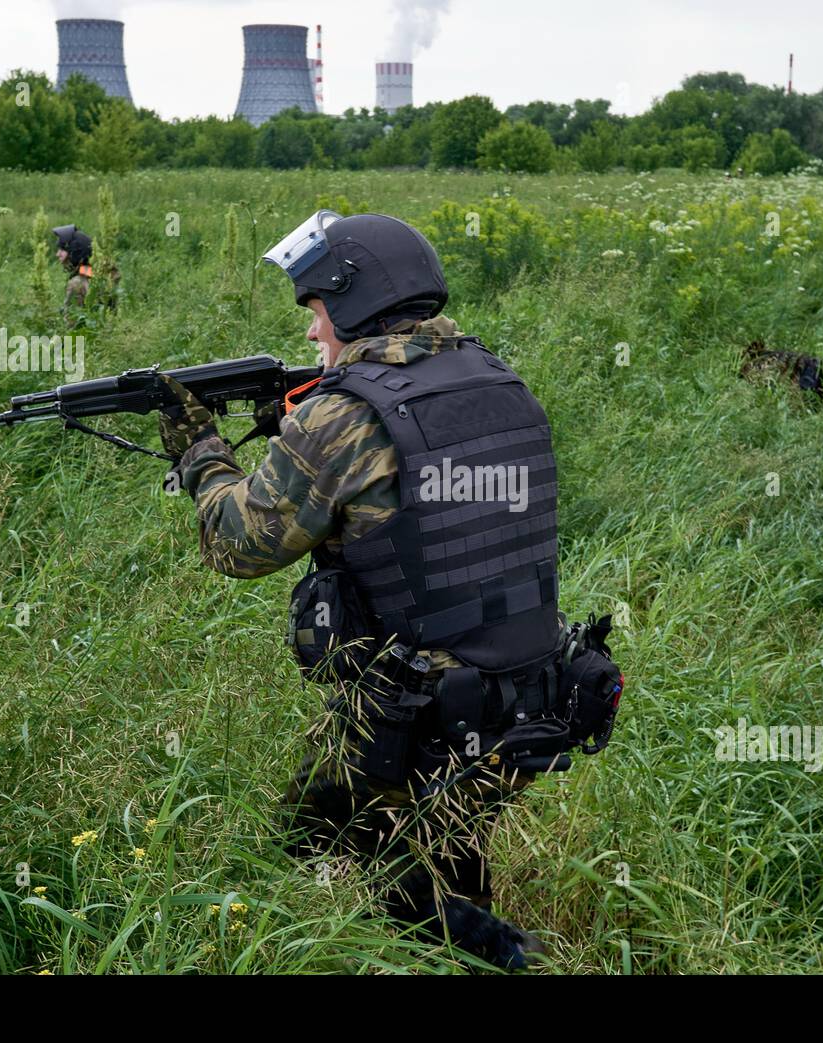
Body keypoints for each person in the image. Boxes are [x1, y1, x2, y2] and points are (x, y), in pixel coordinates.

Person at [156, 210, 622, 970]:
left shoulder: (341, 417)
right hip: (534, 696)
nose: (311, 334)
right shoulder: (498, 378)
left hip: (409, 718)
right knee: (450, 847)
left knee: (322, 850)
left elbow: (238, 544)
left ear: (351, 303)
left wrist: (203, 454)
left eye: (314, 313)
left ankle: (509, 958)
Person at [52, 224, 120, 311]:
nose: (58, 254)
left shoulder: (79, 281)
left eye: (62, 250)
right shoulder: (93, 270)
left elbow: (71, 319)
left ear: (75, 250)